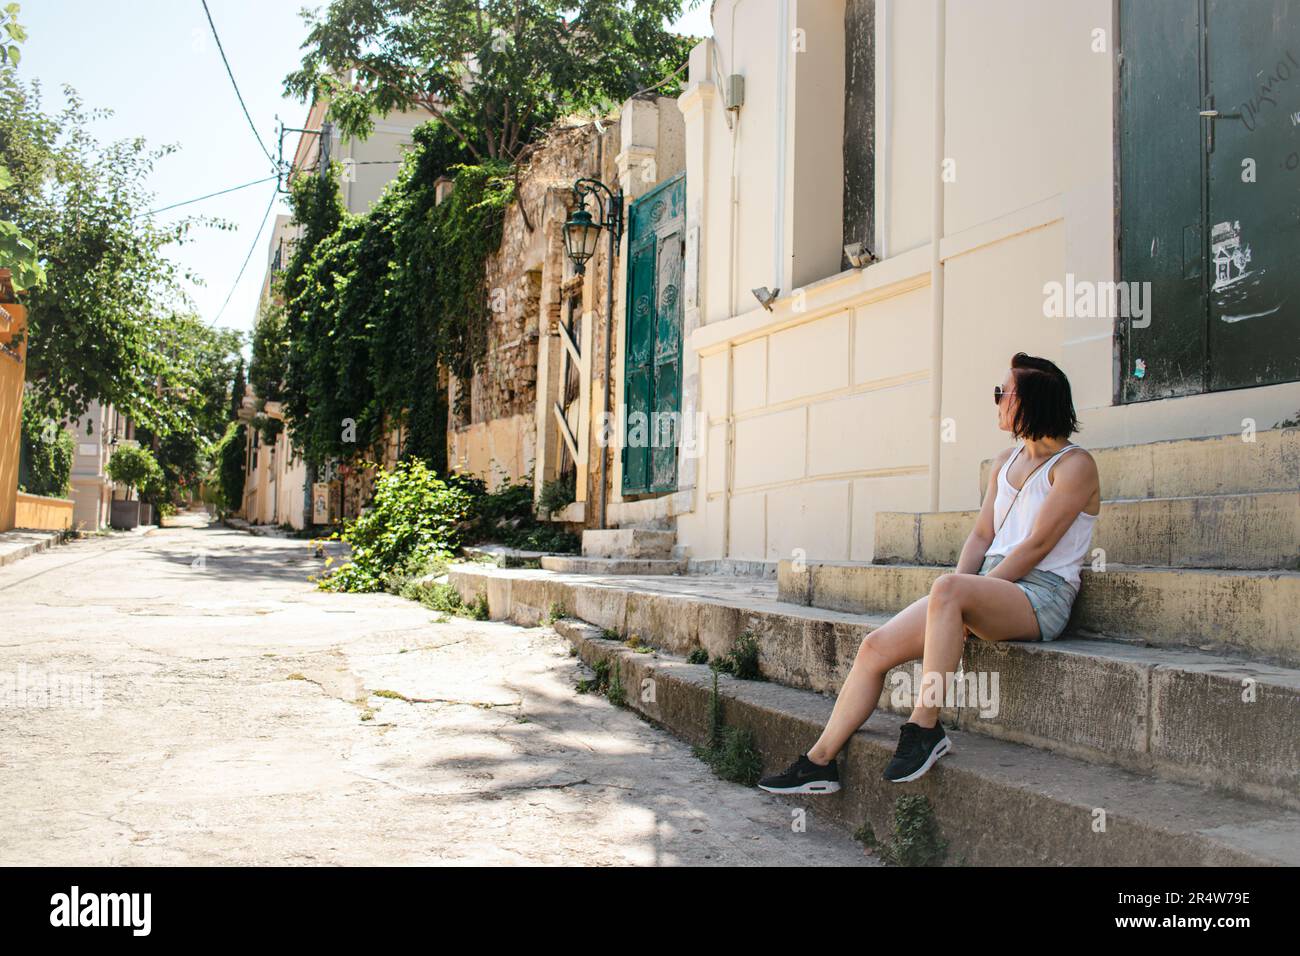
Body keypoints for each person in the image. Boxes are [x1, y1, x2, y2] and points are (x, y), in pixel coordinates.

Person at [757, 352, 1101, 793]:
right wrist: (955, 597)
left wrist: (964, 596)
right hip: (991, 588)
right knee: (875, 646)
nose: (995, 401)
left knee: (949, 592)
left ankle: (925, 727)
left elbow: (1036, 546)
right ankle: (819, 761)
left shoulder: (1075, 467)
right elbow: (980, 536)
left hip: (1041, 596)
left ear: (1029, 401)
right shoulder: (1005, 462)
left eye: (1002, 393)